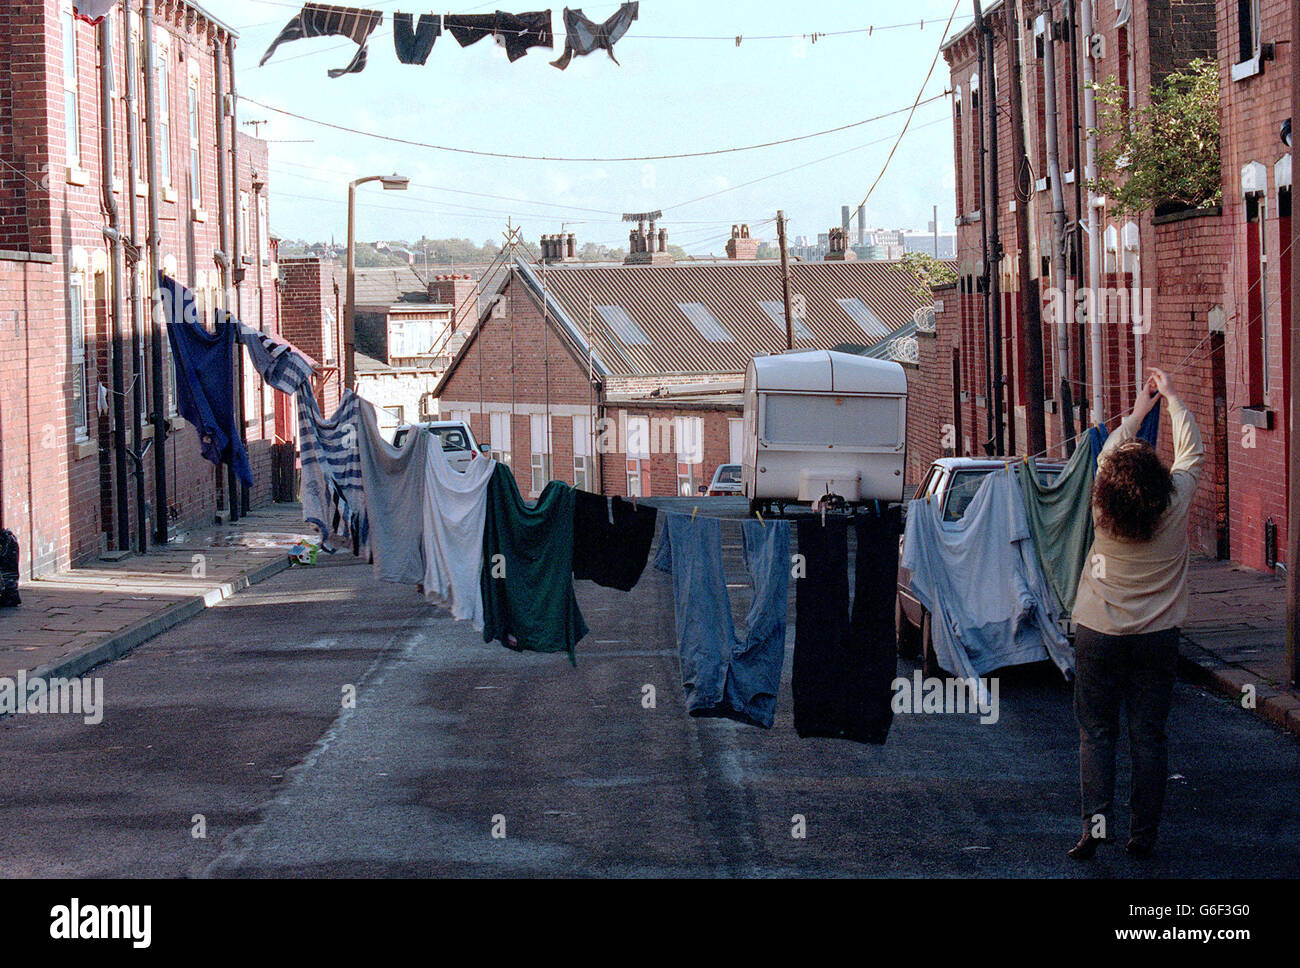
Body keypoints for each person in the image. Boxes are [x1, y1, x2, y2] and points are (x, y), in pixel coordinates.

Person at [1068, 367, 1204, 860]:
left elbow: (1111, 449)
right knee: (1148, 736)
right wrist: (1171, 397)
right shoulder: (1175, 503)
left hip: (1098, 633)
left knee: (1097, 733)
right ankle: (1142, 835)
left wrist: (1142, 407)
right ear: (1157, 480)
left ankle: (1093, 829)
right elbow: (1193, 453)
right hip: (1157, 637)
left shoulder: (1104, 512)